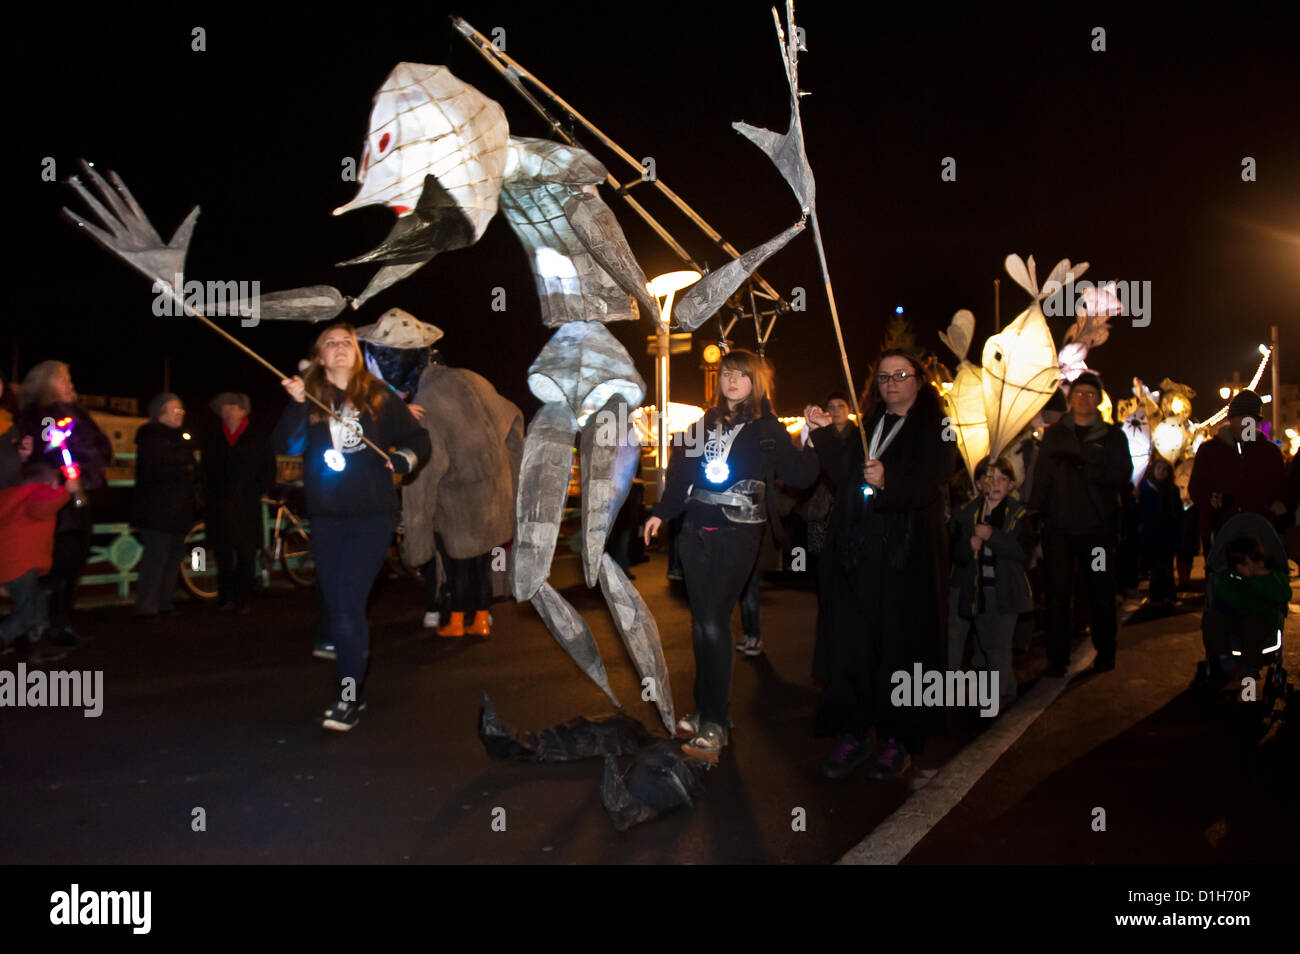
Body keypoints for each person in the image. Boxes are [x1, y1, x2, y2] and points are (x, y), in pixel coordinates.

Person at [644, 349, 819, 763]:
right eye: (726, 374)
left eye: (741, 374)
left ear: (755, 381)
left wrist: (813, 437)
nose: (732, 380)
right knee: (701, 624)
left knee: (713, 623)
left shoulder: (766, 428)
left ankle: (716, 725)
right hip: (694, 534)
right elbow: (681, 473)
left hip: (738, 535)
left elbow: (800, 475)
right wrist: (659, 513)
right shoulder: (703, 423)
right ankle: (706, 709)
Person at [805, 349, 956, 780]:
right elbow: (844, 475)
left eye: (901, 375)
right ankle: (851, 732)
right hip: (859, 556)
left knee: (901, 648)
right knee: (853, 645)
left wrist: (890, 482)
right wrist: (823, 436)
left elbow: (935, 478)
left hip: (907, 561)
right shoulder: (868, 426)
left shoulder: (935, 426)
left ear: (919, 381)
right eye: (884, 377)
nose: (890, 383)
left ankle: (898, 738)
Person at [273, 321, 431, 731]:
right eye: (331, 342)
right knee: (337, 602)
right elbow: (283, 447)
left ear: (356, 353)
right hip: (326, 518)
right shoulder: (308, 397)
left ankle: (348, 696)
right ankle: (349, 677)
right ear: (320, 355)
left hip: (371, 515)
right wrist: (294, 403)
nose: (340, 347)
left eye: (347, 342)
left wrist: (403, 461)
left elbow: (419, 439)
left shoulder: (377, 397)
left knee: (346, 604)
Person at [394, 334, 523, 640]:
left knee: (457, 567)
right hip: (490, 500)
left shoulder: (429, 399)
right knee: (479, 565)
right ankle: (480, 619)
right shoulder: (474, 381)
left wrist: (416, 535)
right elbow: (514, 416)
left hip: (455, 505)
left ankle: (455, 619)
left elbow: (428, 466)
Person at [1028, 372, 1132, 676]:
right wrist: (1035, 514)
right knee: (1058, 596)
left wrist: (1090, 466)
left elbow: (1121, 476)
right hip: (1060, 533)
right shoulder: (1056, 435)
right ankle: (1057, 658)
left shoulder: (1113, 437)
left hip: (1097, 533)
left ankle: (1105, 651)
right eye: (1078, 393)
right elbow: (1042, 478)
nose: (1083, 399)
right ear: (1070, 398)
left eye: (1090, 394)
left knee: (1100, 593)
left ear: (1099, 399)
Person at [18, 360, 113, 646]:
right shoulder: (39, 415)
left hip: (80, 494)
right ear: (46, 383)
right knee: (55, 560)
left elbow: (102, 447)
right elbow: (51, 451)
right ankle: (40, 625)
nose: (70, 385)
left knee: (75, 558)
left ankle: (62, 622)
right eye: (63, 380)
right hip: (54, 497)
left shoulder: (78, 414)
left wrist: (84, 470)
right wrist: (68, 473)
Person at [947, 456, 1035, 713]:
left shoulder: (1018, 514)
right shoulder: (968, 512)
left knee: (998, 645)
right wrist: (968, 546)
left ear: (1011, 484)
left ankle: (998, 698)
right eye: (990, 479)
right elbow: (955, 552)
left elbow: (1022, 553)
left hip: (1003, 591)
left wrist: (992, 537)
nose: (995, 484)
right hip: (978, 590)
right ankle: (1006, 692)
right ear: (979, 484)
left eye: (1002, 479)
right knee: (989, 644)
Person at [200, 392, 276, 613]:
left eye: (232, 407)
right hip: (219, 504)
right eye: (223, 408)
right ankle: (225, 597)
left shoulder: (257, 436)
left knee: (246, 552)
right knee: (223, 553)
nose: (227, 411)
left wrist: (258, 488)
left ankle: (243, 598)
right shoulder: (214, 436)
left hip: (247, 503)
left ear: (243, 411)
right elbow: (205, 468)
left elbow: (268, 467)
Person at [1188, 390, 1287, 554]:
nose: (1247, 424)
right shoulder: (1210, 450)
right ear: (1231, 420)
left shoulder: (1269, 452)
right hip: (1221, 532)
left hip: (1261, 531)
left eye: (1252, 419)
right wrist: (1212, 500)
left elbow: (1282, 488)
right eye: (1242, 418)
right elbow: (1196, 488)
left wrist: (1278, 504)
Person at [0, 459, 76, 661]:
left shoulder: (9, 498)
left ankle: (41, 645)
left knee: (39, 599)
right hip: (24, 564)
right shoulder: (37, 494)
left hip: (11, 564)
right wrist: (67, 491)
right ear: (49, 482)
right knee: (27, 613)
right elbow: (42, 507)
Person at [131, 393, 198, 620]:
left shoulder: (180, 437)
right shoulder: (150, 436)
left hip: (178, 509)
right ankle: (147, 606)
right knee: (156, 557)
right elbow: (162, 469)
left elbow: (190, 468)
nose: (179, 415)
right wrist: (184, 468)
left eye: (181, 411)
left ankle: (164, 602)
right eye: (174, 410)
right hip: (156, 510)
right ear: (160, 413)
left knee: (173, 556)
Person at [1199, 535, 1289, 686]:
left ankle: (1250, 667)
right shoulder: (1231, 577)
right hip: (1234, 618)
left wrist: (1263, 577)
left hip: (1260, 621)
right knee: (1213, 618)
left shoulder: (1272, 576)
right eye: (1243, 564)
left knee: (1254, 624)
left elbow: (1284, 595)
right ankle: (1225, 660)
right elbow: (1224, 595)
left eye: (1253, 562)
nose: (1250, 568)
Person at [1137, 456, 1183, 608]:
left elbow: (1179, 514)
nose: (1162, 472)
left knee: (1167, 567)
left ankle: (1168, 596)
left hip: (1168, 534)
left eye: (1165, 470)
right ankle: (1156, 596)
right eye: (1159, 469)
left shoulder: (1172, 490)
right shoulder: (1144, 489)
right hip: (1152, 534)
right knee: (1156, 567)